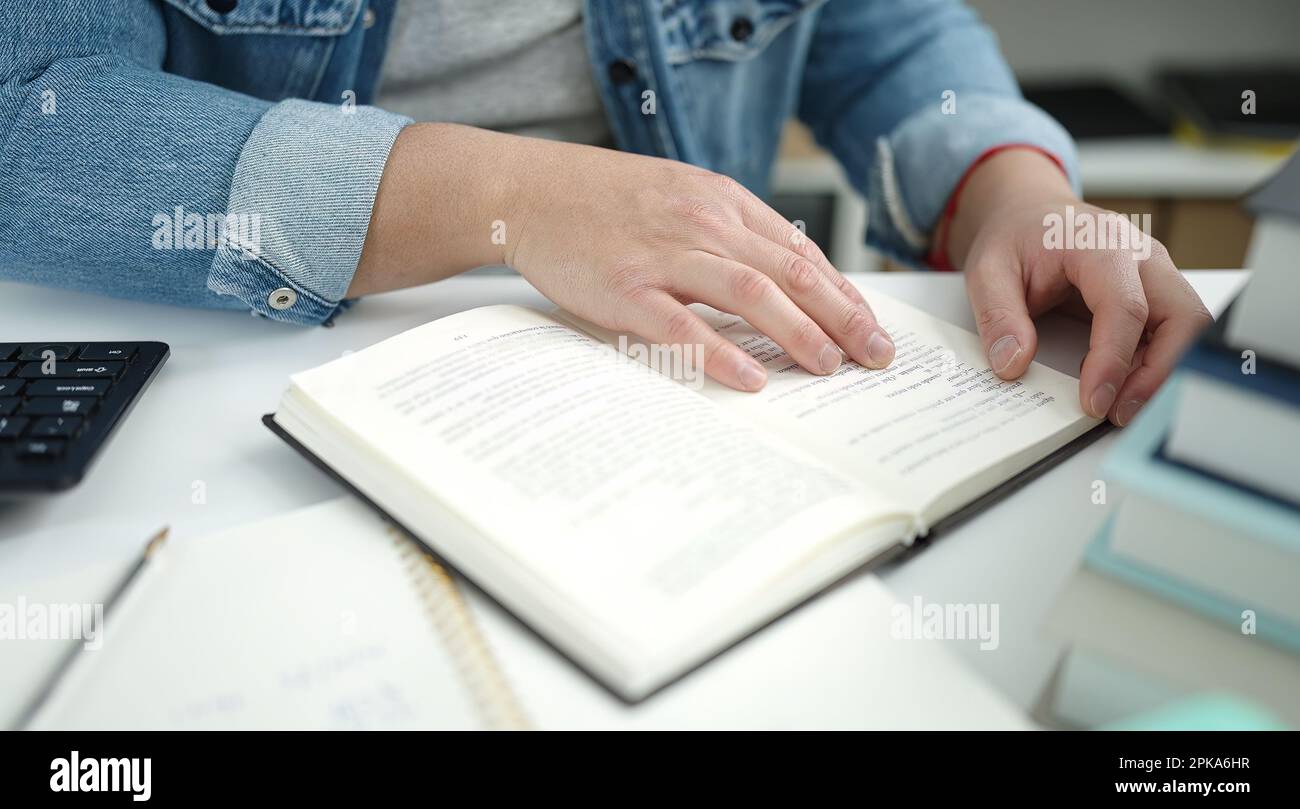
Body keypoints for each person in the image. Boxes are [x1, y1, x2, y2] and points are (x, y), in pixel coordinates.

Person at [0, 0, 1210, 425]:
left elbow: (874, 30)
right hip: (269, 353)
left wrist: (1011, 186)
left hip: (685, 369)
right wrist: (512, 199)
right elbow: (33, 112)